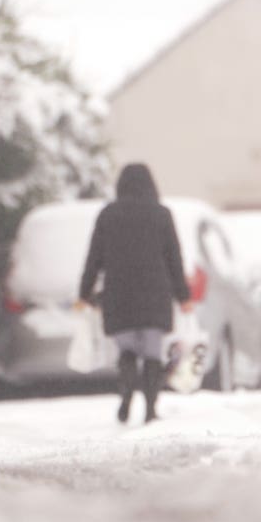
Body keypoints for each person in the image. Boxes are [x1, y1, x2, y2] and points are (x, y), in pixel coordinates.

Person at [77, 163, 193, 423]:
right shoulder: (162, 215)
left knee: (127, 349)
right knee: (152, 352)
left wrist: (84, 292)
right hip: (155, 294)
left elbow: (94, 257)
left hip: (119, 295)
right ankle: (151, 408)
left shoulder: (107, 215)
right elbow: (174, 259)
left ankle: (127, 393)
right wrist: (183, 296)